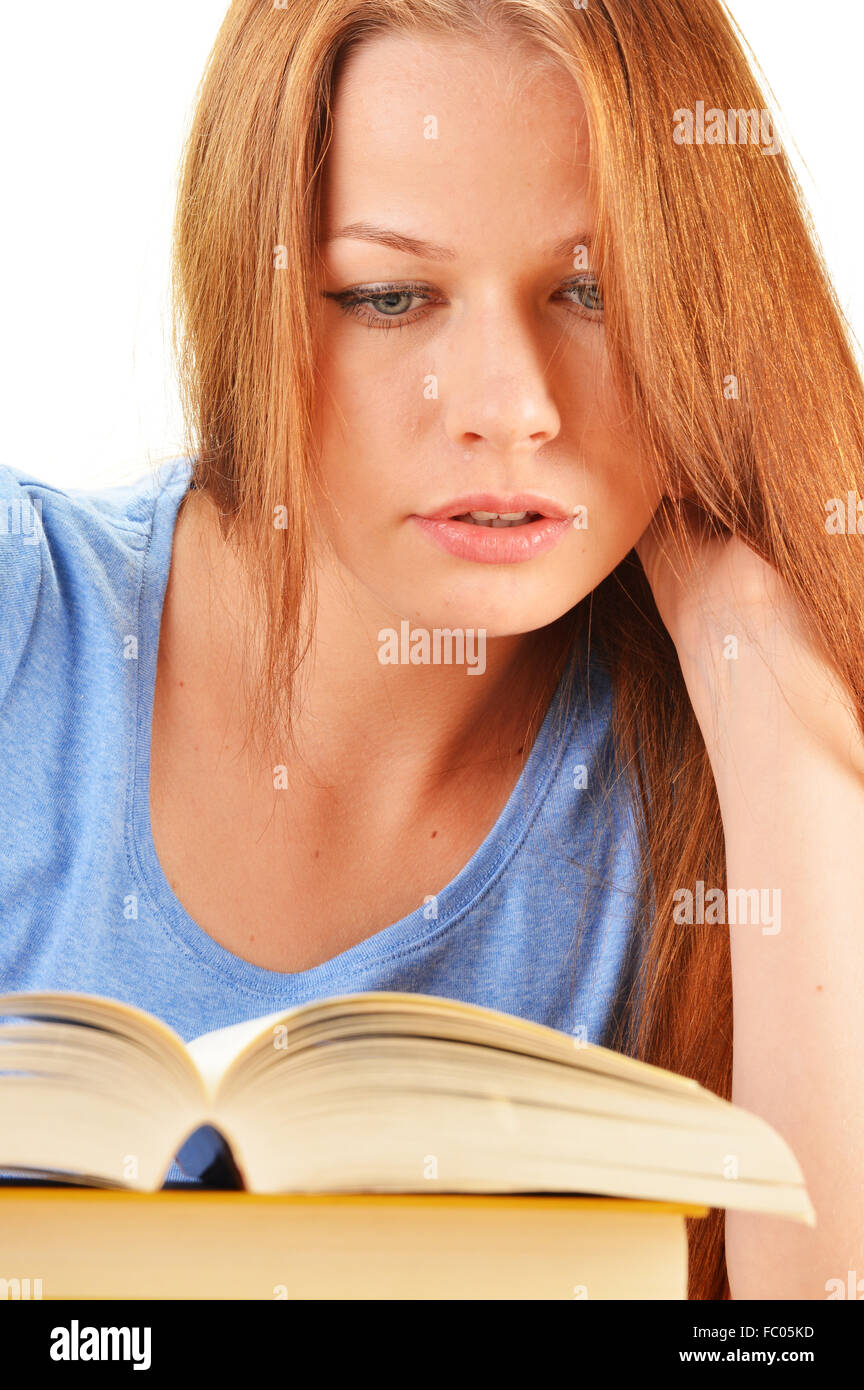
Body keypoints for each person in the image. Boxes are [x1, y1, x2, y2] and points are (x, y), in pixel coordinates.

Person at [1, 0, 862, 1300]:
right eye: (390, 297)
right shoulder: (30, 612)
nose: (509, 407)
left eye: (593, 290)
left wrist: (776, 701)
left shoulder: (734, 765)